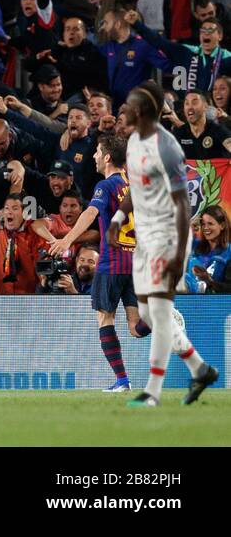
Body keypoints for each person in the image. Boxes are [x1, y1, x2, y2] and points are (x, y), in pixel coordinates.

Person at [114, 81, 217, 407]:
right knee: (146, 311)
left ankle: (152, 392)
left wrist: (178, 252)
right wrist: (118, 218)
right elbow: (136, 188)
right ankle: (200, 369)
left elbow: (182, 205)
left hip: (168, 236)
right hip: (145, 237)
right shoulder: (133, 143)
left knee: (156, 309)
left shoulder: (168, 148)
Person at [46, 134, 150, 392]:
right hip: (134, 259)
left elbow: (91, 212)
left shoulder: (107, 185)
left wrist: (68, 240)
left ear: (106, 157)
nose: (93, 156)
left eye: (97, 152)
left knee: (104, 318)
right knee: (136, 327)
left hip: (112, 260)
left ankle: (123, 381)